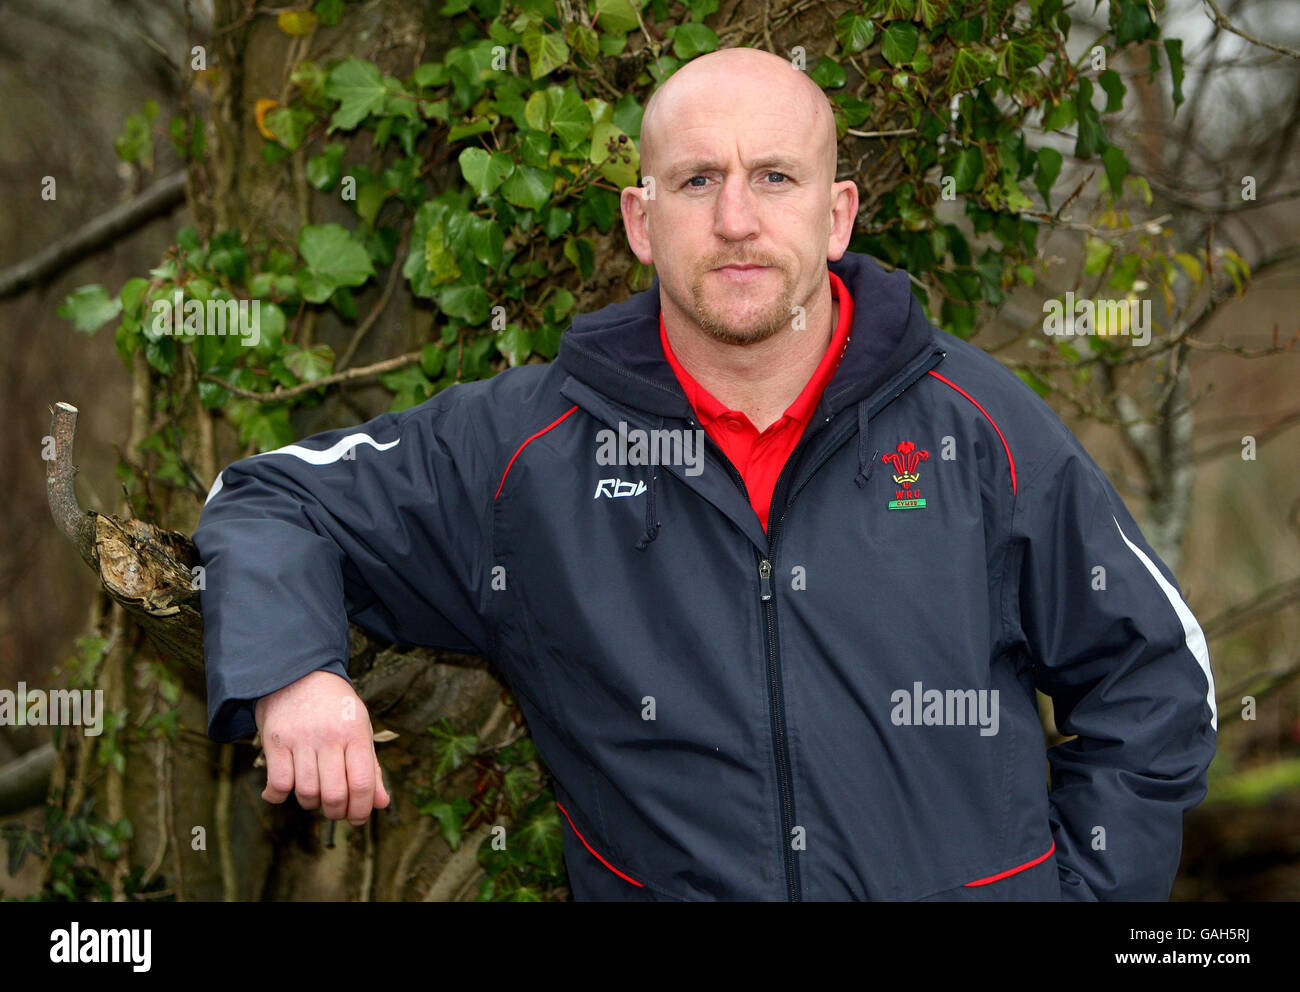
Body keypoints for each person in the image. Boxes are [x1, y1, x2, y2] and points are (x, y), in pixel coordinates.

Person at [194, 47, 1217, 901]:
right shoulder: (527, 450)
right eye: (697, 180)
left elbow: (1154, 674)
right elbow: (271, 498)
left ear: (838, 213)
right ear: (642, 222)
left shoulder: (979, 428)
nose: (736, 219)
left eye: (775, 176)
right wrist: (293, 669)